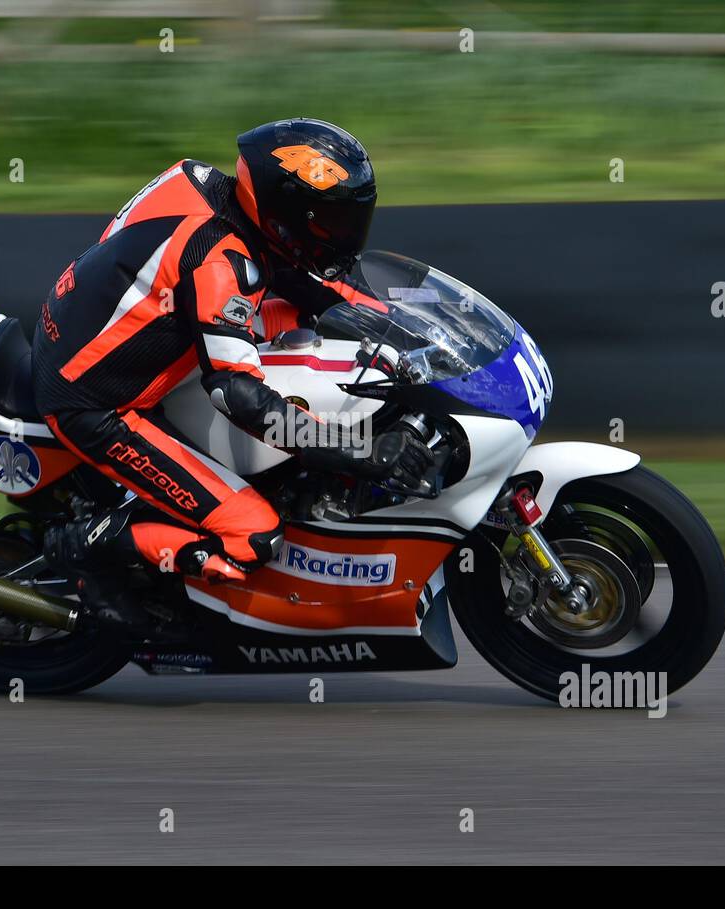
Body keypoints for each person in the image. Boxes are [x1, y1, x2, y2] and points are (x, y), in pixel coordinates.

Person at [33, 118, 432, 583]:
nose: (343, 236)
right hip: (96, 405)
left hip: (95, 333)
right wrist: (353, 448)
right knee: (255, 534)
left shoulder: (197, 179)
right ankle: (91, 542)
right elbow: (236, 394)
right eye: (329, 222)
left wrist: (404, 323)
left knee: (296, 320)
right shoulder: (221, 267)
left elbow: (295, 278)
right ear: (284, 213)